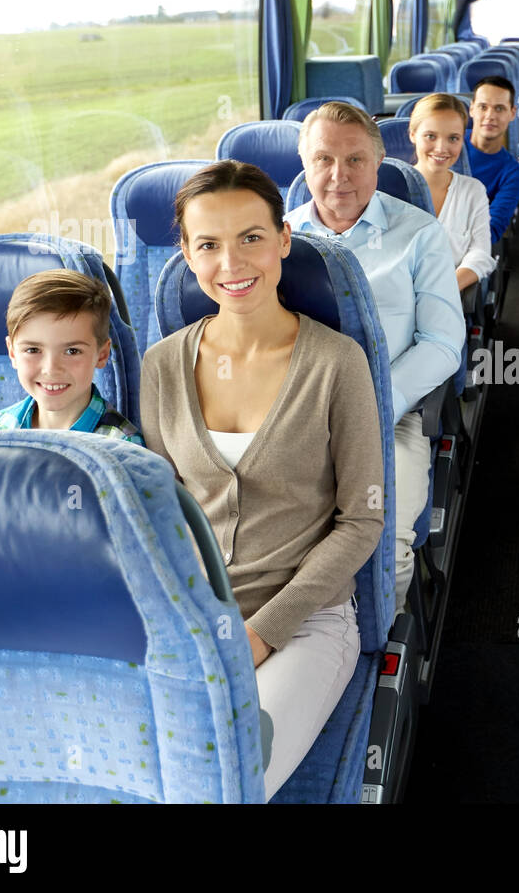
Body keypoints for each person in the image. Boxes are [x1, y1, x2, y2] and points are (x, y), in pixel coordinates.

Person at [137, 160, 385, 798]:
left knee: (228, 776)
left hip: (305, 622)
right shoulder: (161, 366)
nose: (231, 262)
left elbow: (361, 521)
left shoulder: (337, 362)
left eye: (250, 237)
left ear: (283, 241)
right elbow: (161, 514)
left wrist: (261, 633)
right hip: (191, 620)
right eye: (209, 245)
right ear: (187, 257)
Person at [285, 100, 465, 609]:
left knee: (388, 548)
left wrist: (376, 406)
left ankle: (380, 653)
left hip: (392, 412)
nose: (338, 176)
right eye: (323, 160)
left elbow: (442, 343)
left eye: (355, 160)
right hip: (297, 414)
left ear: (379, 162)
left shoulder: (419, 234)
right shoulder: (280, 240)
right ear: (305, 165)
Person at [0, 268, 142, 445]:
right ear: (12, 353)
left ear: (102, 354)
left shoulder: (123, 446)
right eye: (33, 350)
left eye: (72, 351)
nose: (51, 369)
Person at [408, 93, 495, 306]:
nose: (441, 148)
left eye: (453, 138)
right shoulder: (391, 188)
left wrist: (444, 290)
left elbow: (480, 253)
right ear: (413, 135)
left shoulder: (472, 191)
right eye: (430, 136)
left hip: (448, 302)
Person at [465, 75, 519, 245]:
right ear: (472, 109)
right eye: (483, 107)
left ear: (512, 113)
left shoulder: (513, 173)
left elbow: (490, 231)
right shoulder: (446, 146)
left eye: (499, 108)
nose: (490, 115)